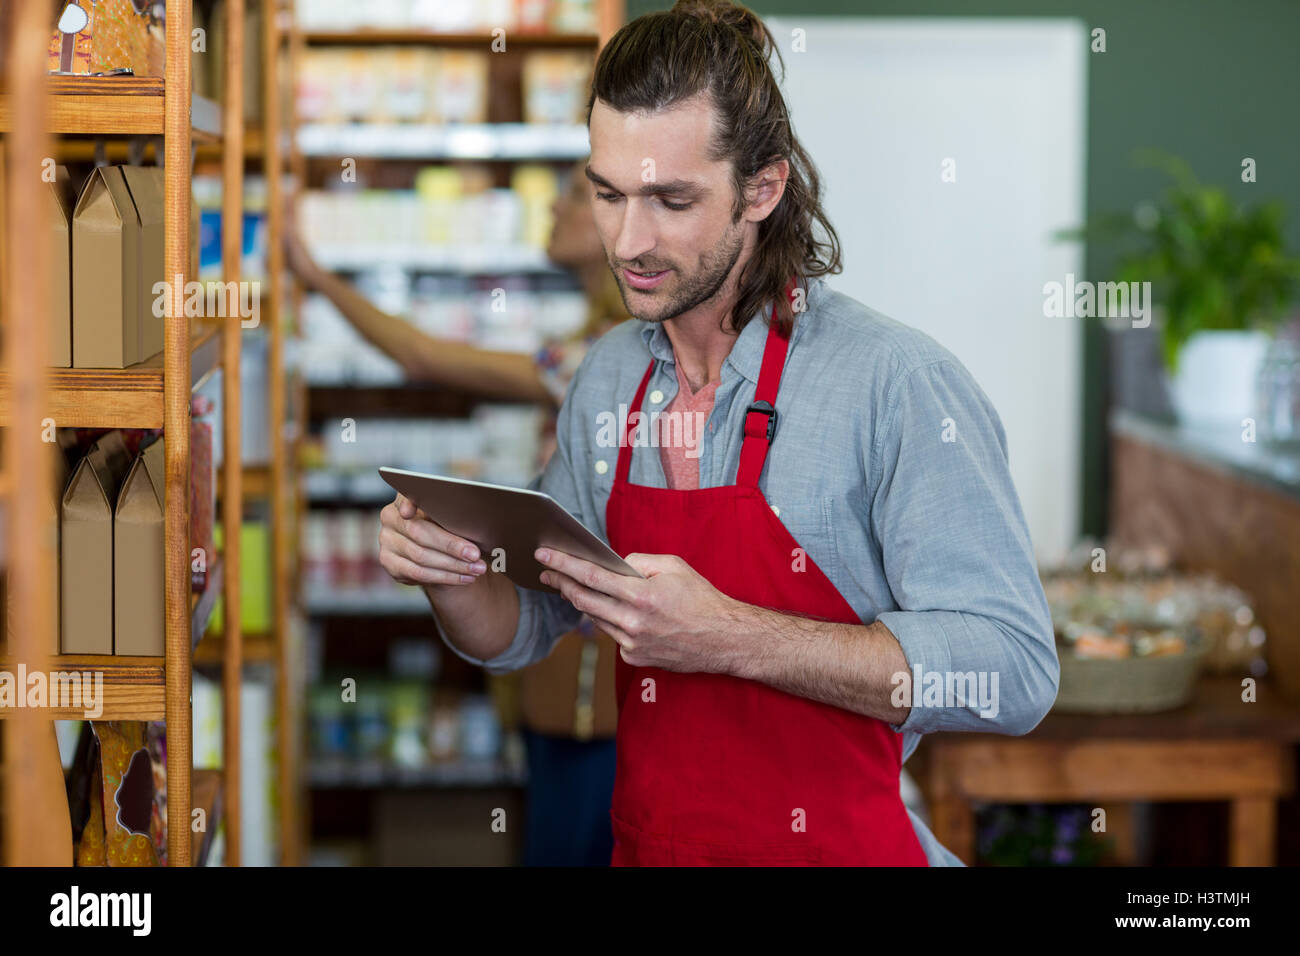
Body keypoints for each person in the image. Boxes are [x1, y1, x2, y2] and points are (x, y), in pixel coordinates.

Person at [379, 0, 1060, 867]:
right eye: (608, 194)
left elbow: (1013, 671)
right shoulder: (608, 379)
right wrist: (448, 571)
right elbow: (521, 627)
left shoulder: (894, 384)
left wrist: (729, 636)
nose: (630, 240)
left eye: (671, 200)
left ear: (762, 188)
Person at [285, 161, 630, 866]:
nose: (551, 211)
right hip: (574, 675)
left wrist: (316, 279)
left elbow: (421, 353)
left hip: (592, 691)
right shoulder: (586, 346)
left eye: (569, 198)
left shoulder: (597, 358)